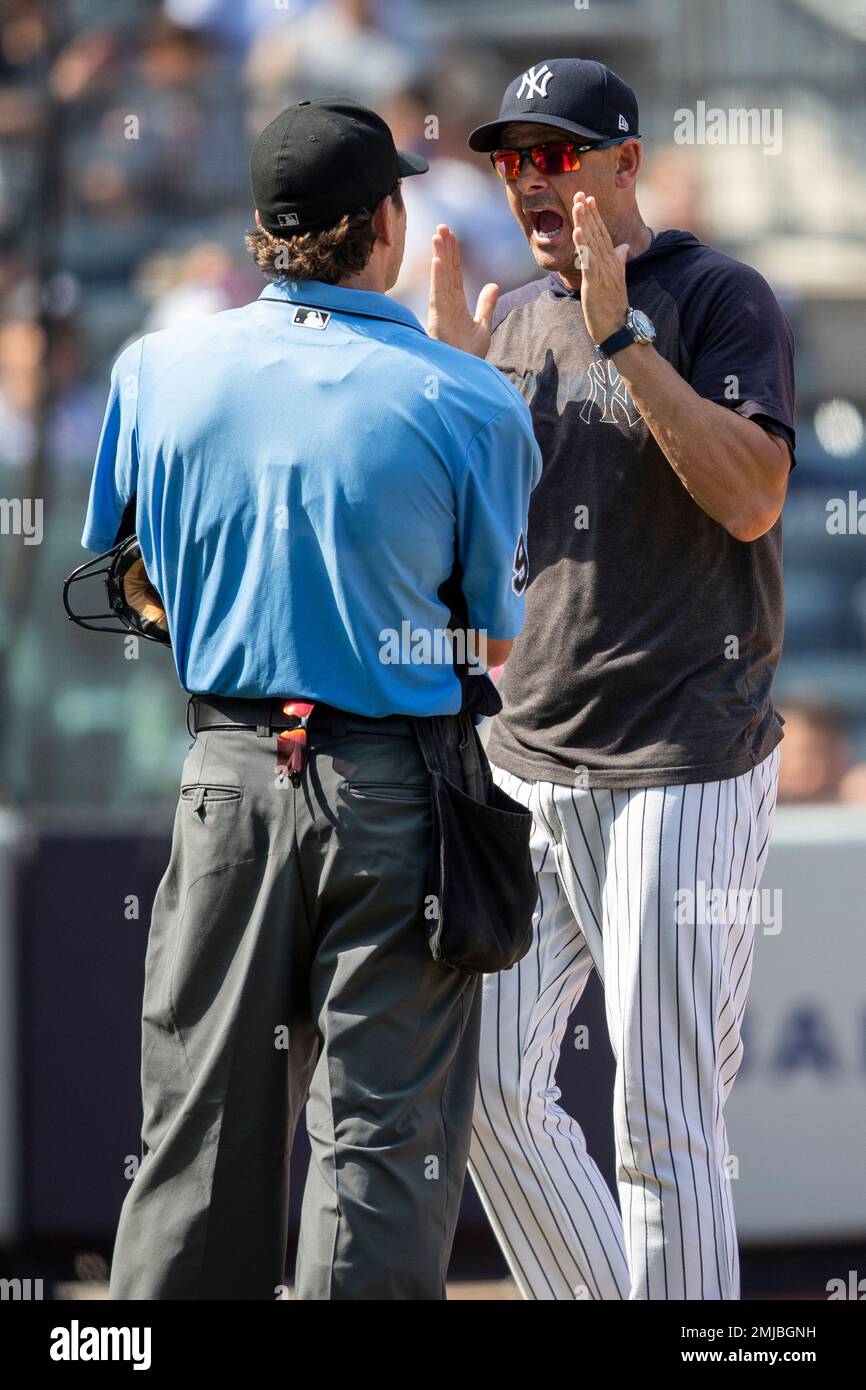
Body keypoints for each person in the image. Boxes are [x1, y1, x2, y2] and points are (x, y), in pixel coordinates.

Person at [82, 97, 540, 1300]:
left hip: (228, 777)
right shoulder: (468, 401)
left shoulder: (154, 367)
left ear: (259, 229)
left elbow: (129, 581)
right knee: (381, 1153)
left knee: (193, 1139)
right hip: (396, 790)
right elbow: (491, 625)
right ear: (383, 225)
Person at [429, 57, 796, 1300]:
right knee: (476, 1089)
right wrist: (444, 402)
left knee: (662, 1117)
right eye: (511, 158)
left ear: (623, 165)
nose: (529, 180)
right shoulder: (513, 319)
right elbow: (479, 563)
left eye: (556, 153)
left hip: (680, 760)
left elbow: (751, 499)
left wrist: (622, 338)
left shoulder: (716, 294)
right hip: (528, 762)